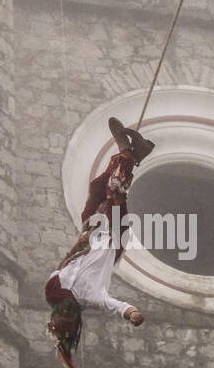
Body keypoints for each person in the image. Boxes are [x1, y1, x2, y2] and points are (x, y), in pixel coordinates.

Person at [46, 117, 155, 354]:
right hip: (115, 237)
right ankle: (128, 152)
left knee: (97, 186)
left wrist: (80, 243)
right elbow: (115, 305)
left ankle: (135, 153)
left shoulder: (56, 286)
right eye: (69, 314)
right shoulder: (91, 297)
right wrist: (132, 313)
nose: (66, 309)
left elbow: (64, 264)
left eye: (62, 312)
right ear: (76, 314)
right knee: (115, 188)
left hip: (91, 231)